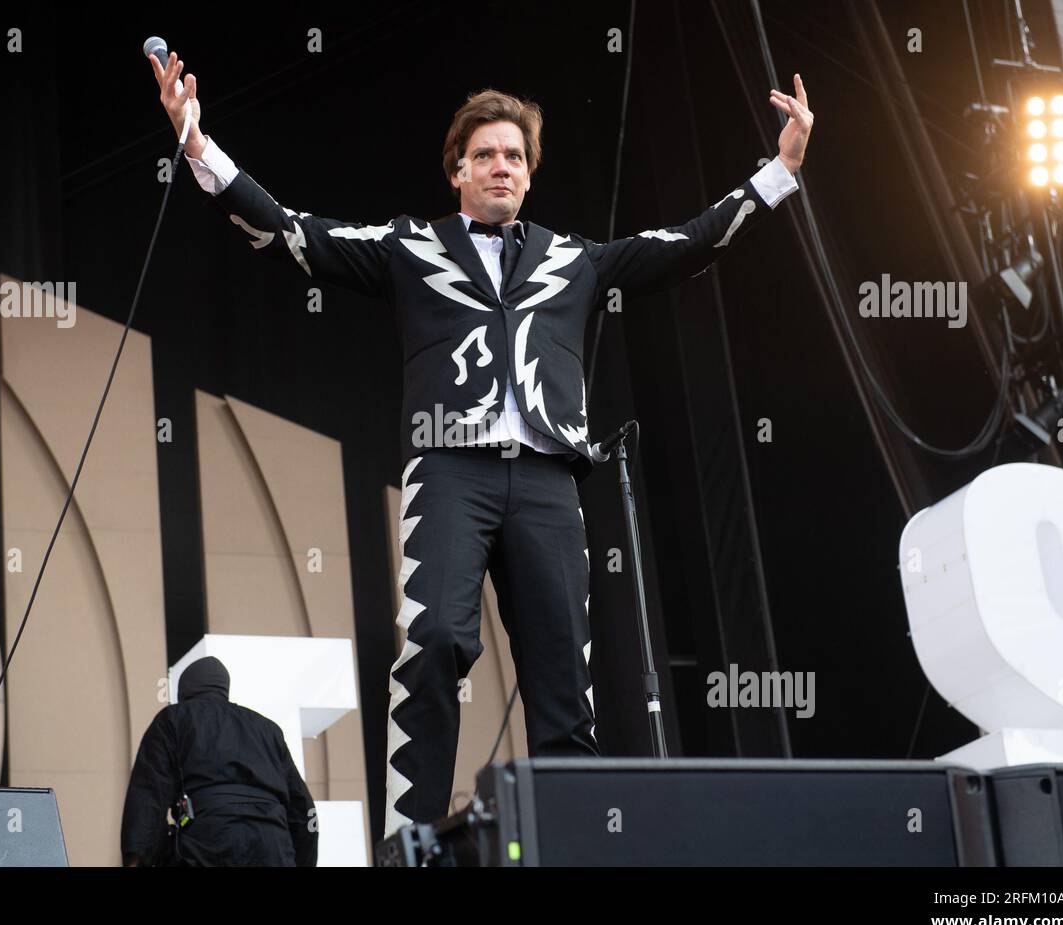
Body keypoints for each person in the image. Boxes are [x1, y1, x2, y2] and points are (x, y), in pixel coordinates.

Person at [148, 52, 813, 839]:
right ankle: (413, 839)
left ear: (529, 176)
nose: (502, 166)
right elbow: (295, 233)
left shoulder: (576, 260)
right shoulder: (411, 249)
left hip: (547, 482)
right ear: (457, 173)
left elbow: (687, 244)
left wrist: (778, 171)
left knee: (564, 672)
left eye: (515, 157)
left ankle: (570, 842)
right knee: (433, 642)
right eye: (486, 155)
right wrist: (196, 145)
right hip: (449, 471)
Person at [121, 656, 318, 866]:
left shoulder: (173, 718)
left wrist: (138, 858)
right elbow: (304, 810)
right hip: (273, 849)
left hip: (207, 846)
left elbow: (148, 796)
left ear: (184, 691)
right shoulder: (268, 730)